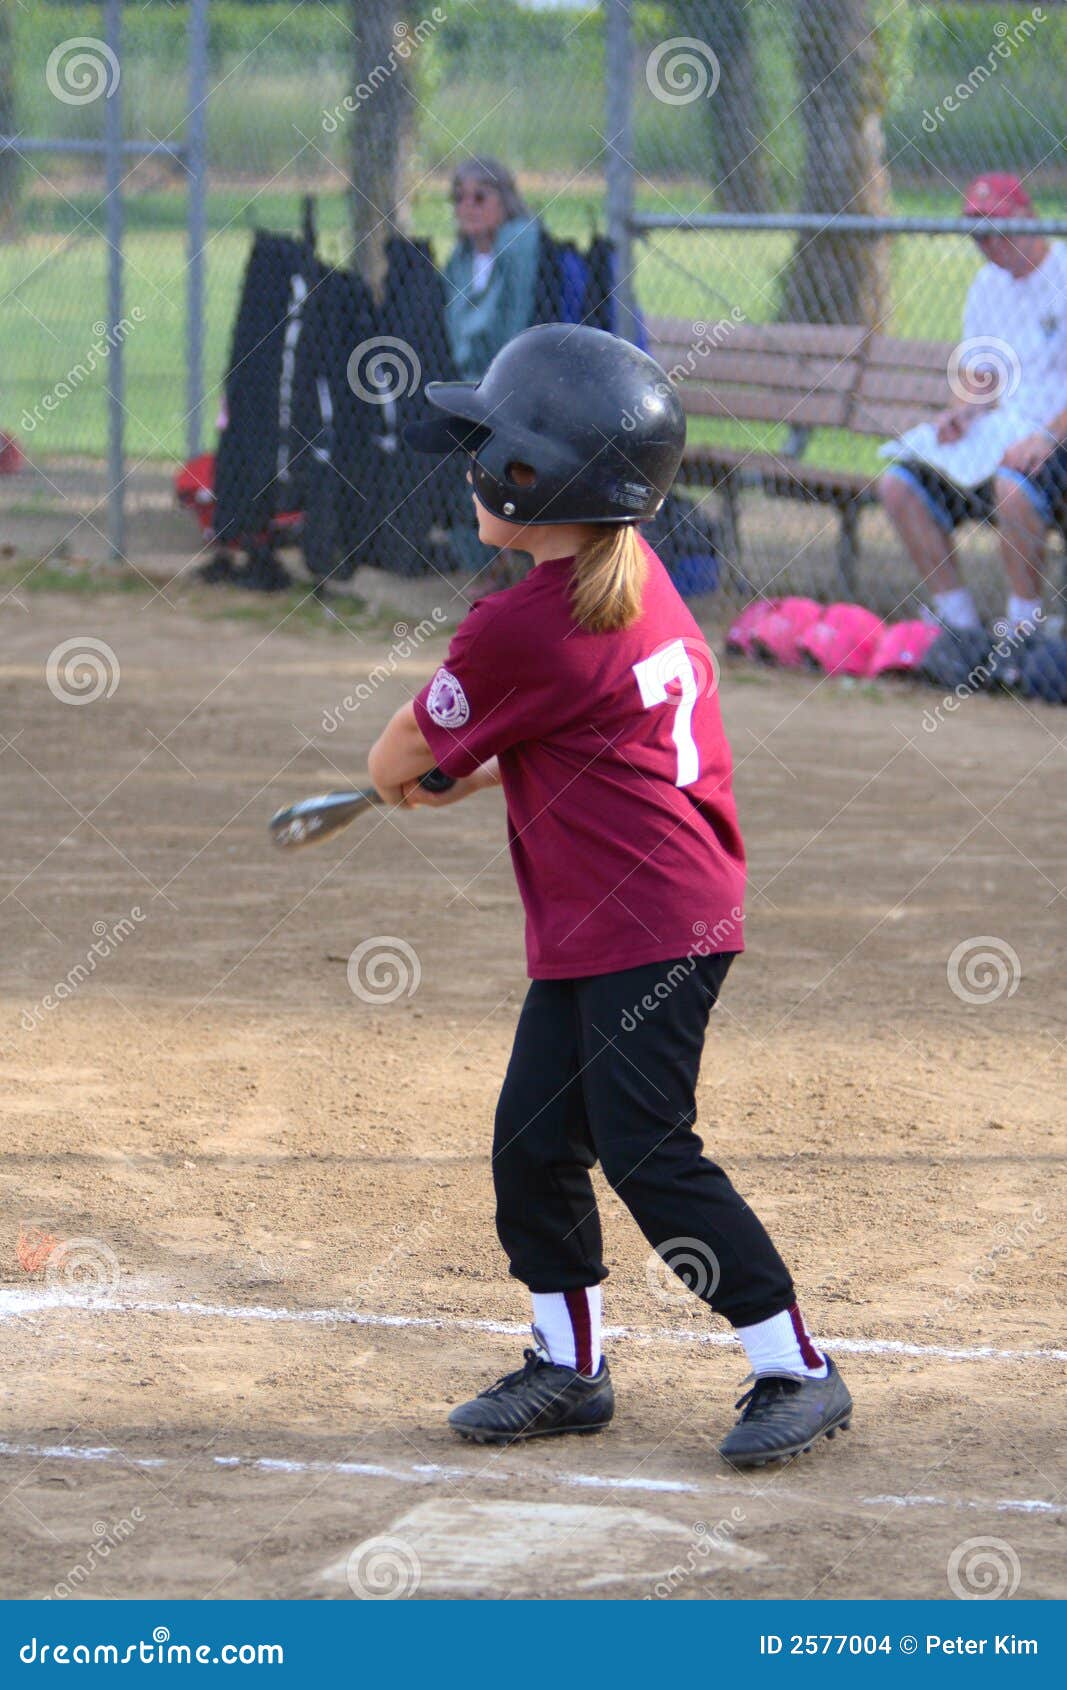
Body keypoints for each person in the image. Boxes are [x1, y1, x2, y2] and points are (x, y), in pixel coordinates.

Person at [367, 324, 853, 1468]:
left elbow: (394, 759)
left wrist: (414, 778)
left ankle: (794, 1364)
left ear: (533, 477)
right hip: (635, 908)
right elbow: (583, 734)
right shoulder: (626, 582)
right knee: (533, 1136)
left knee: (645, 1148)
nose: (475, 464)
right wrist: (476, 768)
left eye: (492, 448)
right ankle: (568, 1365)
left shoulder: (519, 624)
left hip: (647, 922)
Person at [879, 173, 1067, 680]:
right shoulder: (987, 285)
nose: (986, 245)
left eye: (996, 231)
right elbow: (980, 375)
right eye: (977, 234)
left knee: (1012, 486)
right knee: (900, 483)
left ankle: (1024, 633)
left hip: (1056, 436)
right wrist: (961, 412)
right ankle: (960, 628)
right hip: (1001, 433)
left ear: (1029, 220)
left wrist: (1045, 438)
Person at [443, 158, 541, 381]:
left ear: (505, 201)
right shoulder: (459, 262)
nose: (468, 207)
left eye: (480, 197)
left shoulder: (520, 249)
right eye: (459, 198)